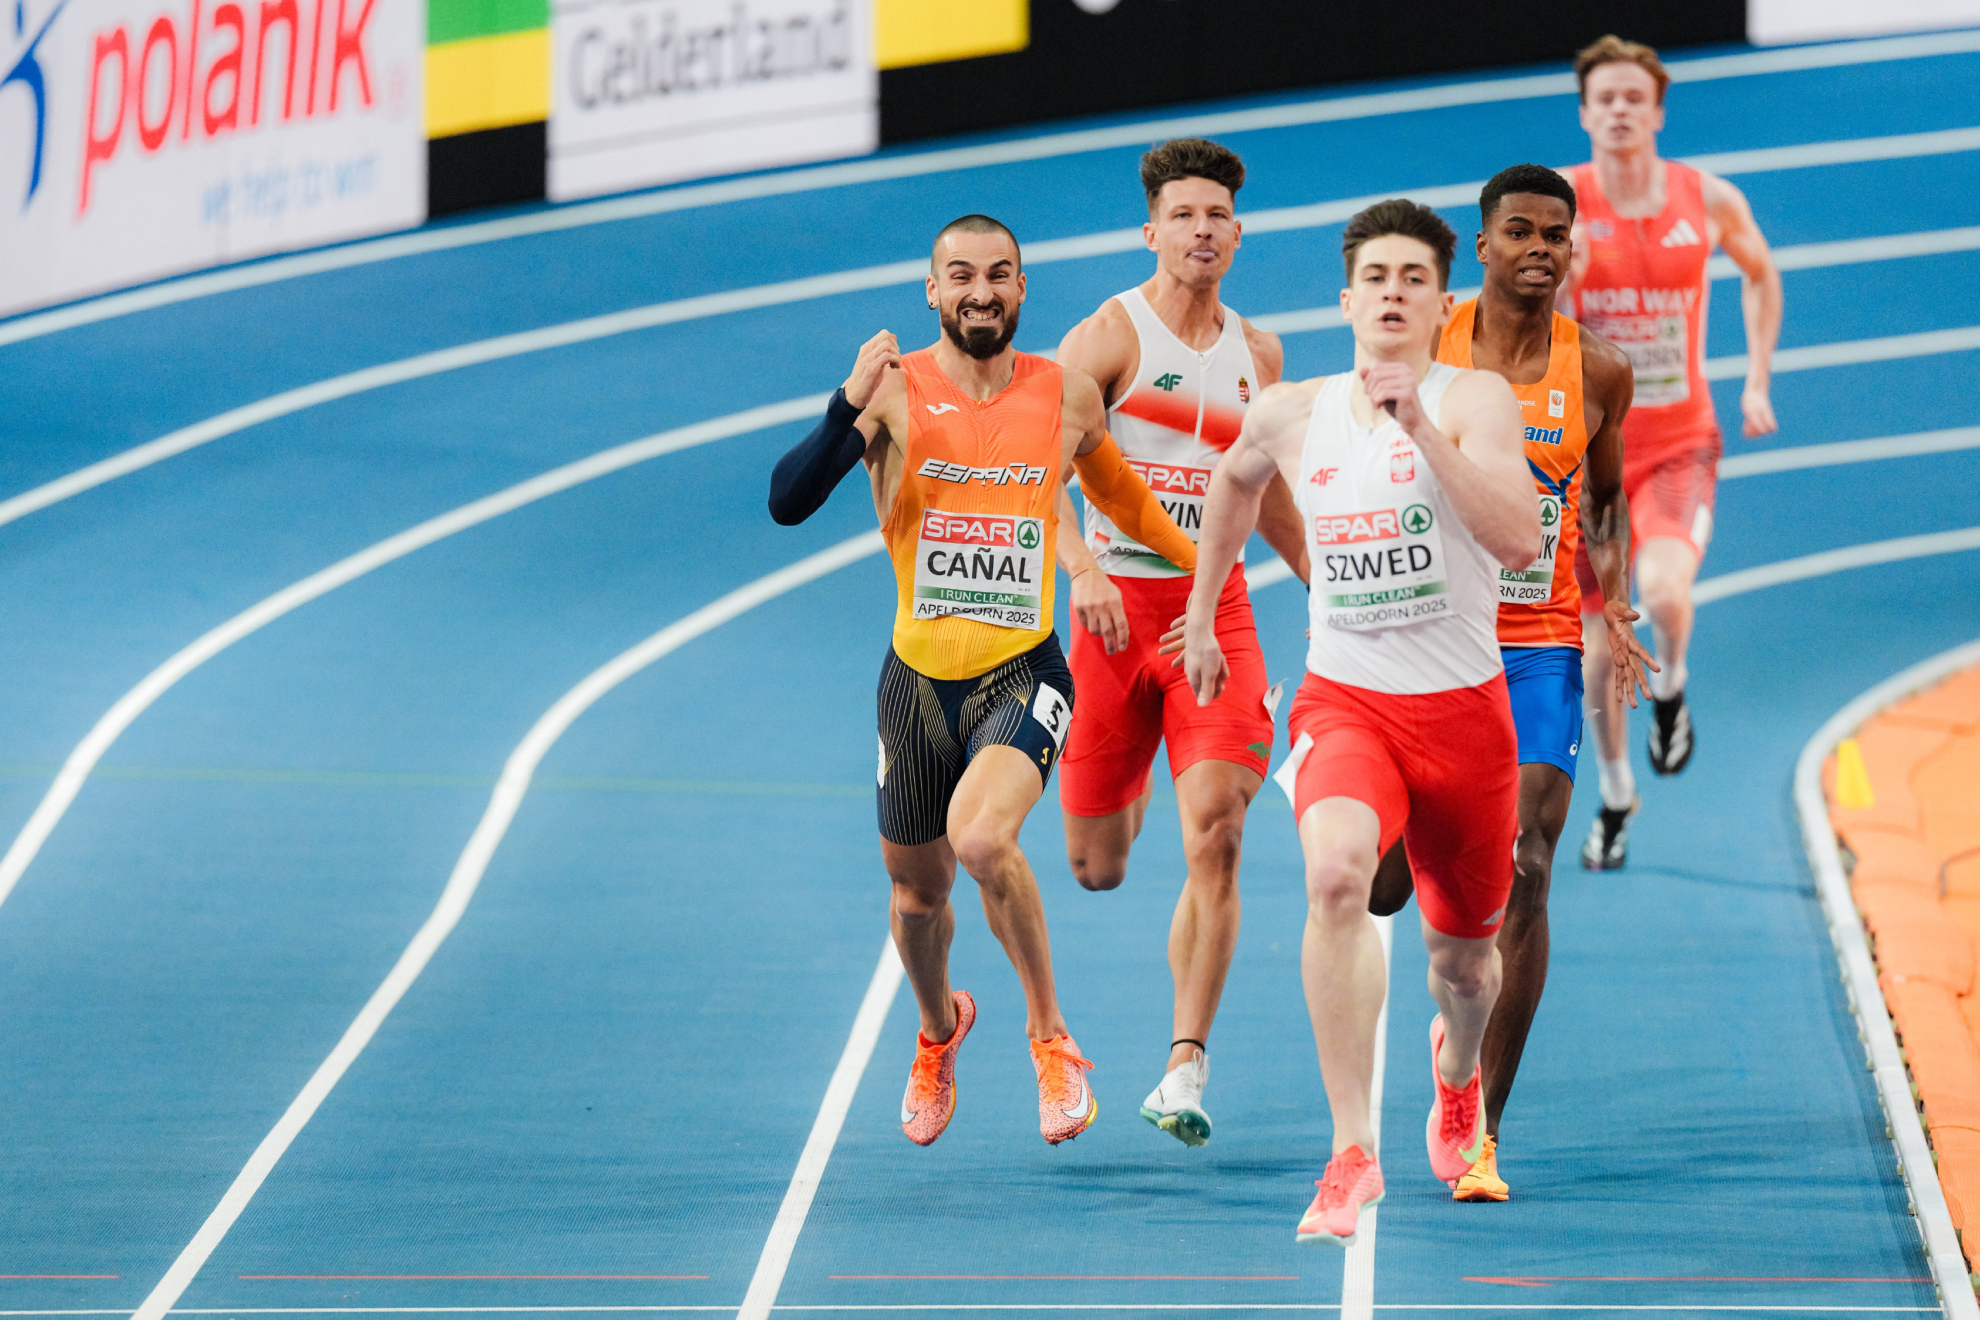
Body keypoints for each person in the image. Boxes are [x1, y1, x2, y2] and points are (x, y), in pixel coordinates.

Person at [767, 215, 1199, 1148]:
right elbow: (786, 503)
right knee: (917, 899)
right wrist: (844, 406)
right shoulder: (890, 391)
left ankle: (1051, 1040)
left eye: (998, 275)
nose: (980, 291)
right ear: (933, 292)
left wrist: (1202, 571)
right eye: (960, 276)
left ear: (1021, 288)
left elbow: (1120, 494)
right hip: (916, 684)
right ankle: (937, 1031)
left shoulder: (1067, 392)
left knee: (983, 839)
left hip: (1023, 670)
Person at [1180, 199, 1540, 1244]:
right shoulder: (1292, 410)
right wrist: (1204, 613)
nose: (1392, 291)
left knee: (1466, 965)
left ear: (1441, 301)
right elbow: (1233, 483)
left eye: (1412, 278)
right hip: (1347, 701)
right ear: (1347, 299)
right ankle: (1350, 1151)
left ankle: (1458, 1075)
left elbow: (1519, 539)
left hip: (1465, 717)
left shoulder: (1475, 399)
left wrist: (1419, 426)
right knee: (1335, 873)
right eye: (1375, 276)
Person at [1366, 164, 1654, 1202]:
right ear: (1479, 251)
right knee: (1387, 887)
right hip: (1424, 633)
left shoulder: (1603, 373)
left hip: (1536, 645)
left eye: (1556, 235)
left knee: (1528, 867)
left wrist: (1613, 600)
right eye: (1519, 232)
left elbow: (1610, 504)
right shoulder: (1423, 352)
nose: (1541, 247)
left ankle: (1479, 1120)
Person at [1049, 137, 1309, 1148]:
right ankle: (1159, 757)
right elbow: (1039, 477)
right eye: (1184, 216)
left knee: (1222, 834)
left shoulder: (1264, 355)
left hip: (1220, 614)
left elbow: (1272, 492)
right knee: (1098, 867)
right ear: (1150, 231)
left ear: (1238, 235)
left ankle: (1184, 1066)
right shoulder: (1106, 339)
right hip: (1115, 623)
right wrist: (1085, 571)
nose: (1203, 231)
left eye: (1219, 217)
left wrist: (1339, 588)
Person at [1565, 34, 1783, 868]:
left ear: (1656, 112)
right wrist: (1568, 281)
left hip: (1680, 442)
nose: (1619, 110)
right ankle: (1617, 793)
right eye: (1604, 98)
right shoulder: (1561, 211)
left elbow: (1762, 274)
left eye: (1633, 98)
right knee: (1594, 657)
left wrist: (1757, 378)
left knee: (1662, 592)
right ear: (1585, 114)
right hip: (1590, 461)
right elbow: (1517, 330)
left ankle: (1672, 685)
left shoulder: (1709, 199)